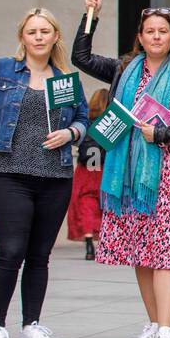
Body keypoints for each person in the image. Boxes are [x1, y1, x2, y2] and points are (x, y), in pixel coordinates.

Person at [75, 0, 170, 338]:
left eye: (162, 31)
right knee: (141, 251)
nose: (156, 37)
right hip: (130, 175)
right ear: (140, 36)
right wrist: (92, 16)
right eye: (150, 31)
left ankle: (167, 328)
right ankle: (153, 323)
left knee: (166, 251)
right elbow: (81, 58)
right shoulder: (123, 69)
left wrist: (161, 133)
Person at [0, 8, 88, 338]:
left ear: (55, 36)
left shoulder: (65, 80)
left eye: (46, 31)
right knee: (10, 251)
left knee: (40, 254)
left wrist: (71, 133)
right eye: (32, 32)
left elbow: (85, 120)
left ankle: (32, 325)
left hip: (55, 175)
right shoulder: (2, 69)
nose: (39, 37)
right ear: (23, 37)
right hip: (8, 174)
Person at [68, 88, 107, 261]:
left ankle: (89, 241)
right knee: (103, 206)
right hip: (104, 170)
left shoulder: (86, 122)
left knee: (86, 205)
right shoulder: (110, 124)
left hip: (86, 170)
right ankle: (104, 242)